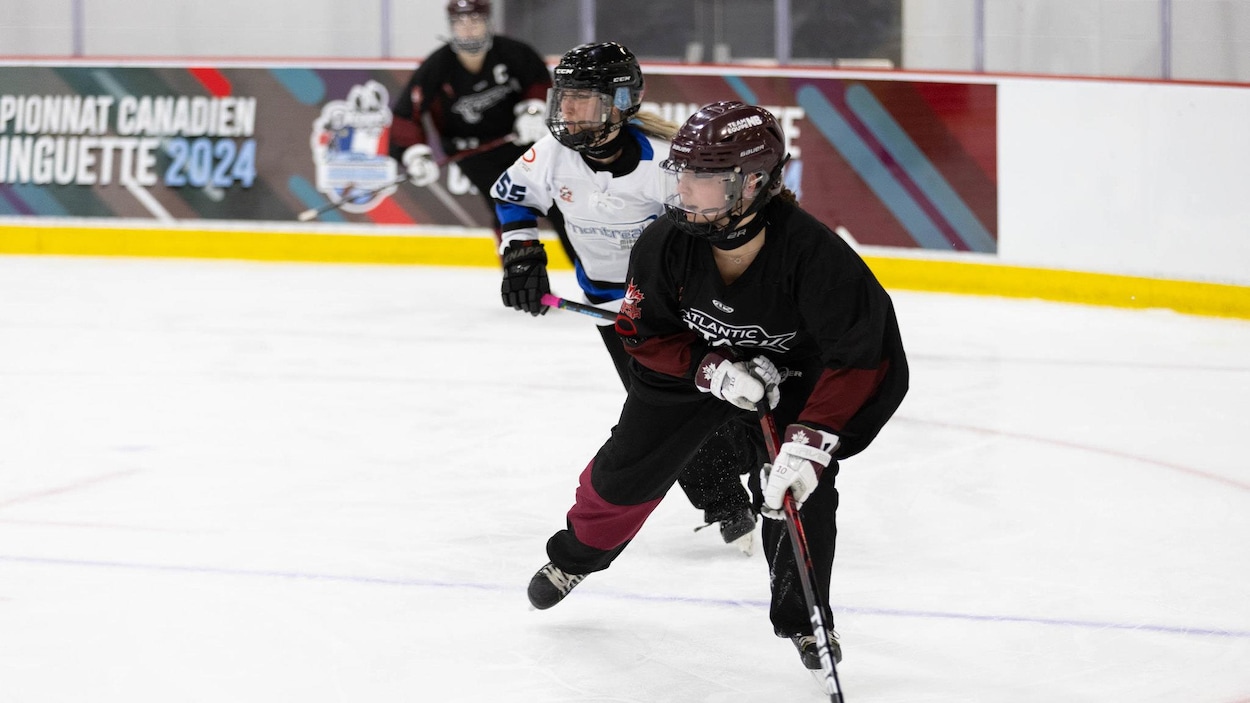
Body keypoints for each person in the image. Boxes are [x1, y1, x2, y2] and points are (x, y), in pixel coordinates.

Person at [524, 101, 909, 677]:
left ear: (752, 182)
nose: (682, 189)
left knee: (797, 492)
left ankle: (805, 618)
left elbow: (864, 359)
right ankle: (577, 556)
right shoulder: (664, 243)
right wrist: (709, 369)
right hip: (696, 367)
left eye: (701, 178)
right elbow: (642, 333)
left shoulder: (817, 258)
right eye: (680, 174)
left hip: (794, 378)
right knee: (625, 467)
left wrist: (812, 442)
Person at [491, 42, 759, 553]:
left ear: (620, 101)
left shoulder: (666, 166)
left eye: (583, 101)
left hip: (675, 313)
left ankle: (741, 481)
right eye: (563, 98)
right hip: (612, 316)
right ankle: (729, 498)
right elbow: (512, 193)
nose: (568, 112)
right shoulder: (553, 155)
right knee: (660, 412)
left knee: (685, 406)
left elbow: (709, 235)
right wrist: (522, 254)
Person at [388, 0, 552, 242]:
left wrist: (534, 112)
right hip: (471, 152)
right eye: (460, 22)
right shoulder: (437, 65)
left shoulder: (514, 52)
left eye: (474, 21)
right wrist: (414, 155)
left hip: (520, 142)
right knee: (506, 202)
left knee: (559, 204)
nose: (467, 28)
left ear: (488, 22)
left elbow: (540, 84)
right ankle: (518, 272)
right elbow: (406, 114)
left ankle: (596, 272)